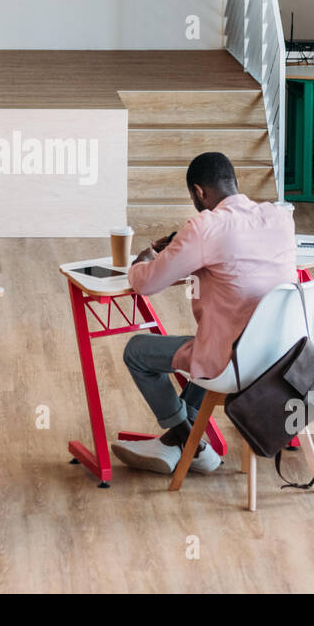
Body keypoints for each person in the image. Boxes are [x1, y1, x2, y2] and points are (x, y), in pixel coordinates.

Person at [112, 152, 297, 475]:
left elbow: (147, 283)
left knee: (137, 352)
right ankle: (173, 442)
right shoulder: (280, 217)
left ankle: (189, 440)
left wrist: (142, 260)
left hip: (232, 361)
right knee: (205, 343)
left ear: (198, 192)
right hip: (285, 355)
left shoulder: (205, 226)